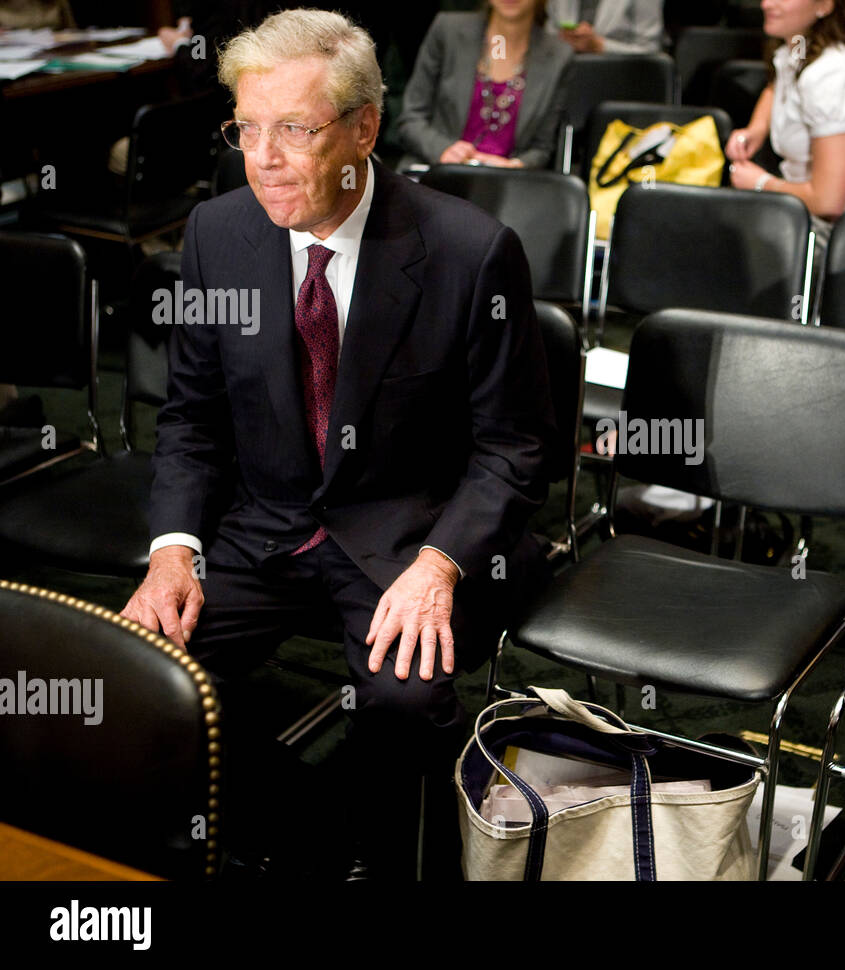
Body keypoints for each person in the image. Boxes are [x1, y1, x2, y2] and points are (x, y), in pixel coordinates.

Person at [119, 8, 555, 878]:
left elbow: (514, 447)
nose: (263, 158)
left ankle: (395, 863)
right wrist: (172, 551)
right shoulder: (219, 233)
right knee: (134, 677)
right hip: (267, 524)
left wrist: (438, 567)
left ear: (363, 128)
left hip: (405, 536)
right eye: (246, 128)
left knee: (400, 702)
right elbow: (192, 418)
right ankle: (307, 829)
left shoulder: (470, 253)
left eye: (294, 130)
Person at [725, 0, 845, 254]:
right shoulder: (798, 49)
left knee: (729, 246)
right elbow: (776, 86)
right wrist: (757, 128)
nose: (766, 3)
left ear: (825, 6)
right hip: (806, 205)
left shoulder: (830, 72)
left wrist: (760, 183)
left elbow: (828, 202)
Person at [395, 0, 573, 169]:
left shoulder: (559, 56)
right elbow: (410, 120)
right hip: (437, 173)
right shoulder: (448, 30)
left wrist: (516, 166)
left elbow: (542, 147)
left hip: (507, 187)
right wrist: (443, 149)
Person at [547, 0, 664, 54]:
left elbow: (650, 50)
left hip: (621, 81)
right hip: (565, 76)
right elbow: (549, 34)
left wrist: (600, 46)